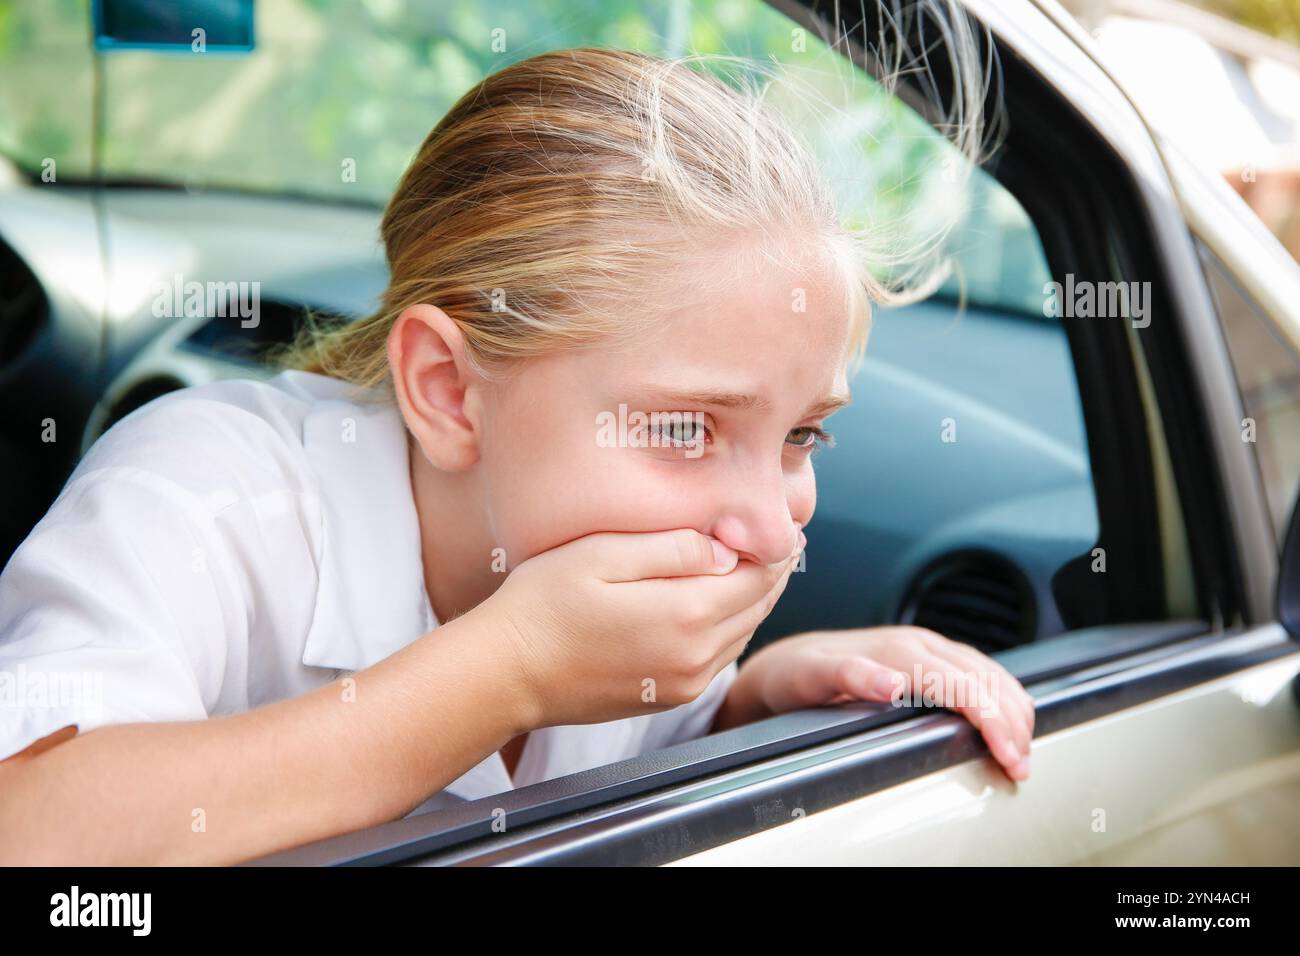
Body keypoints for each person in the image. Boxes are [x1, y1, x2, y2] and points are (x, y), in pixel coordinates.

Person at [0, 38, 1033, 865]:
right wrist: (512, 670)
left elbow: (620, 762)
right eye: (684, 428)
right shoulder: (205, 492)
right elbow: (31, 827)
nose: (772, 532)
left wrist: (752, 698)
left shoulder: (596, 572)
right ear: (449, 392)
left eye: (801, 434)